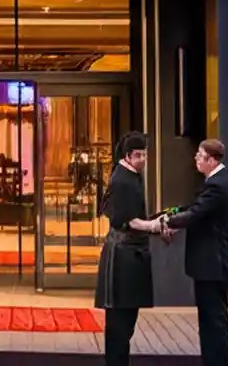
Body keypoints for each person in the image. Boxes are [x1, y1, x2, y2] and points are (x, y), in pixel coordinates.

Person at [160, 139, 228, 366]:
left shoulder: (217, 186)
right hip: (213, 262)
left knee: (213, 321)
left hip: (212, 262)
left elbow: (196, 213)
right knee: (212, 319)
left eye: (200, 155)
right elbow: (196, 211)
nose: (195, 158)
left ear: (212, 160)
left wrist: (167, 222)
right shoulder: (219, 182)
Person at [95, 131, 164, 366]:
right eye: (138, 155)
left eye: (145, 154)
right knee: (120, 323)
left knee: (126, 320)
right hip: (123, 256)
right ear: (127, 155)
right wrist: (156, 226)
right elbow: (132, 221)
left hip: (130, 253)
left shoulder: (132, 175)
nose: (143, 159)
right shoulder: (122, 180)